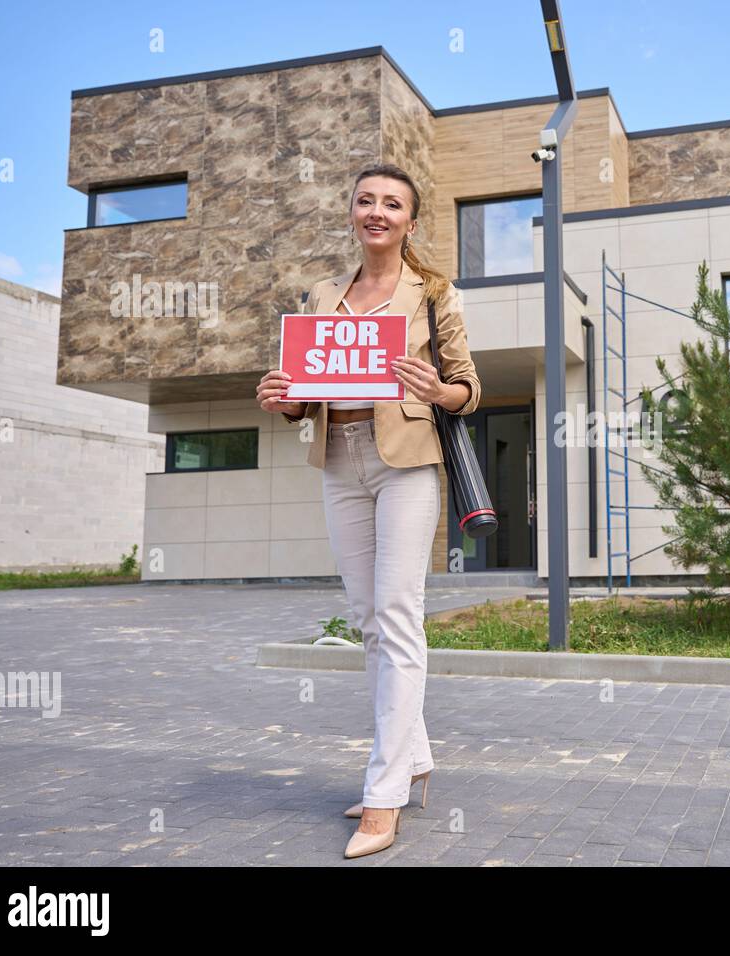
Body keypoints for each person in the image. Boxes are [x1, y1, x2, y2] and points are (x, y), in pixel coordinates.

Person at [256, 163, 481, 859]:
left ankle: (383, 799)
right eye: (365, 201)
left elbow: (469, 389)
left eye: (392, 204)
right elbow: (307, 392)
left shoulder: (434, 293)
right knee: (366, 617)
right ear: (351, 213)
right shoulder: (322, 294)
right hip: (340, 457)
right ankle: (412, 759)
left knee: (397, 614)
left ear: (411, 221)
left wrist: (438, 389)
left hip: (407, 460)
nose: (376, 212)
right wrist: (283, 395)